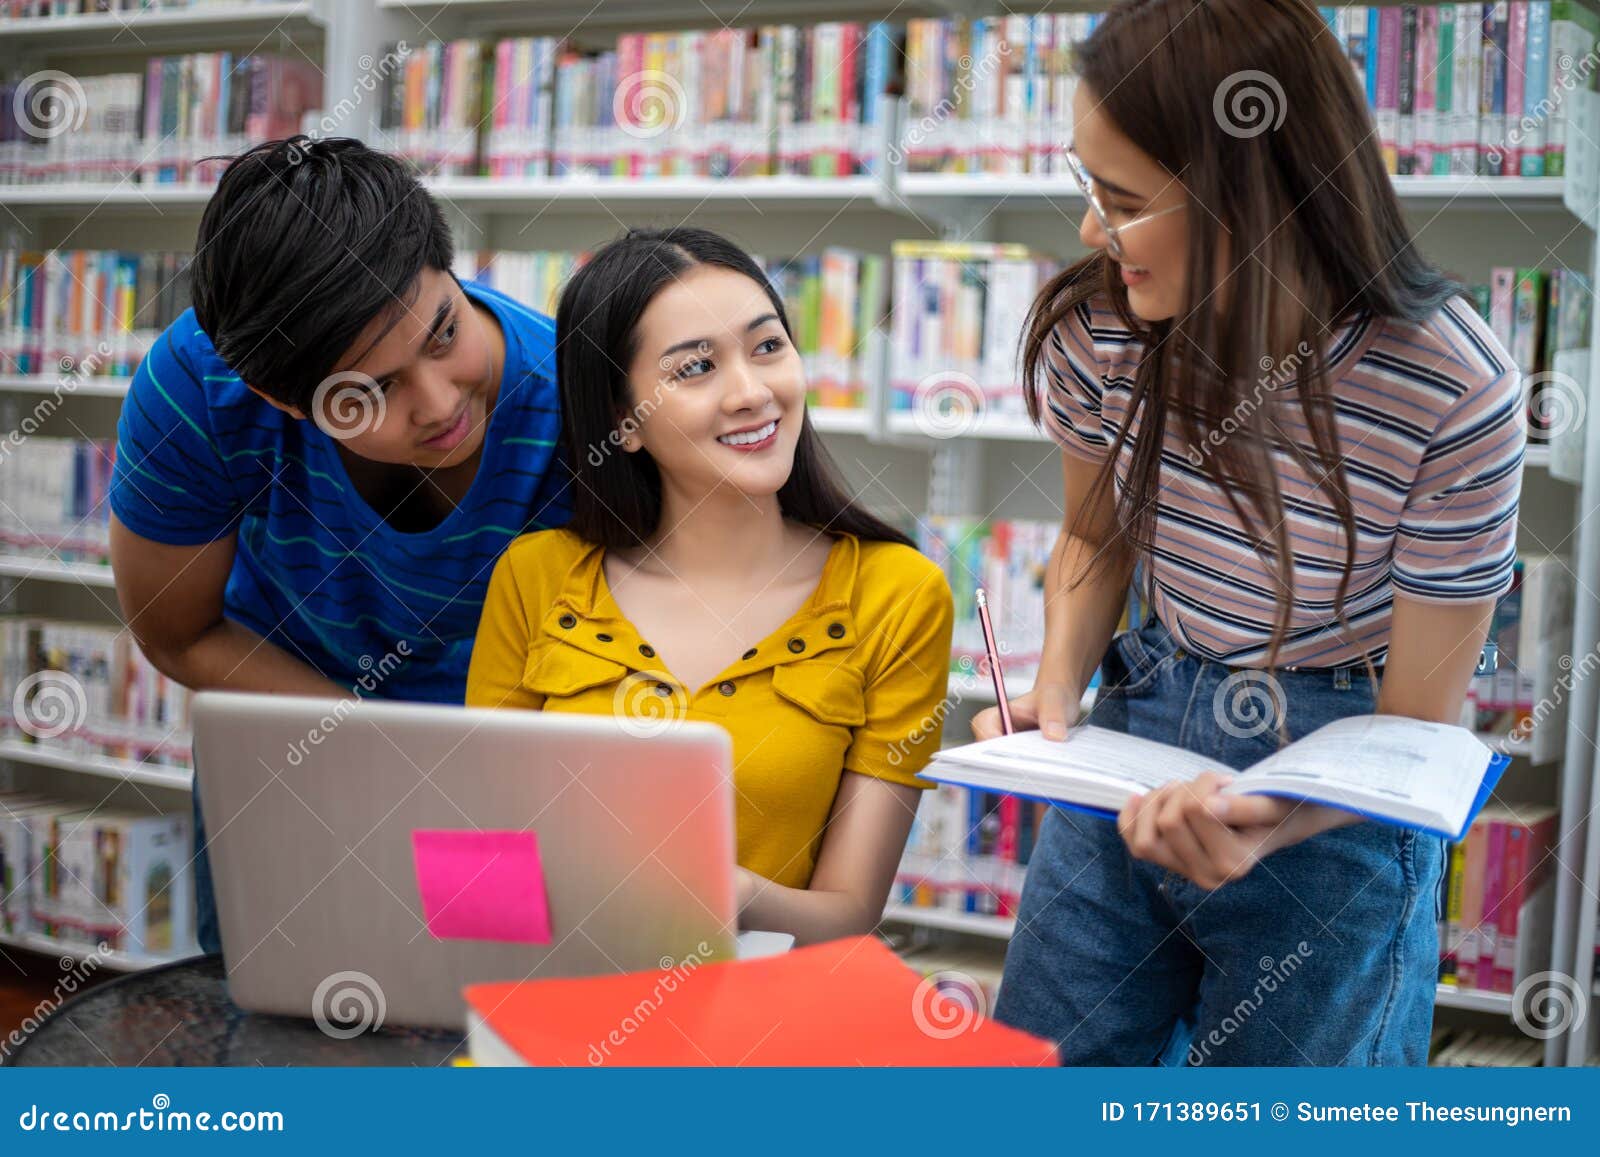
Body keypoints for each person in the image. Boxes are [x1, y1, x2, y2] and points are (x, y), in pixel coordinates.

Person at [973, 0, 1525, 1066]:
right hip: (1136, 728)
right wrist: (1053, 715)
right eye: (1088, 188)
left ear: (1254, 202)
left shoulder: (1453, 388)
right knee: (1037, 1083)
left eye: (1122, 201)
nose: (1091, 231)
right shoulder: (1097, 327)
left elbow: (1417, 727)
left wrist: (1270, 815)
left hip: (1339, 777)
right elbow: (1094, 539)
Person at [108, 137, 571, 954]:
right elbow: (177, 632)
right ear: (274, 398)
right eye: (372, 391)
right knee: (269, 1039)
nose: (438, 404)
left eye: (442, 332)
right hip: (290, 757)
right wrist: (382, 752)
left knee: (487, 1037)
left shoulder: (579, 404)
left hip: (508, 788)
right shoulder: (197, 388)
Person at [466, 226, 954, 946]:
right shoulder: (537, 576)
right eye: (696, 368)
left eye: (767, 347)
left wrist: (741, 893)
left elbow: (851, 913)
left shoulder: (899, 593)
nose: (753, 392)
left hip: (763, 1033)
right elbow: (480, 857)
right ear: (620, 422)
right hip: (554, 1008)